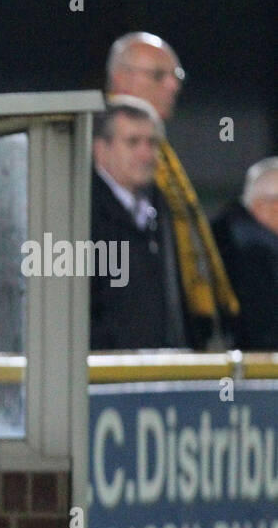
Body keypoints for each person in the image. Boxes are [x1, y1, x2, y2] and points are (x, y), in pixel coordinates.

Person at [105, 32, 238, 348]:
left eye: (176, 76)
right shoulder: (90, 150)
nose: (173, 86)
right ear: (121, 78)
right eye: (158, 76)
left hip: (170, 338)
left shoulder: (165, 160)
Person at [90, 97, 189, 349]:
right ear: (101, 149)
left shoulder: (165, 207)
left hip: (158, 370)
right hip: (104, 375)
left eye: (152, 143)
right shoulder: (80, 210)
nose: (146, 154)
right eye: (133, 142)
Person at [212, 158, 278, 350]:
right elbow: (264, 328)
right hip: (251, 368)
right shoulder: (254, 248)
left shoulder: (224, 231)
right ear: (265, 205)